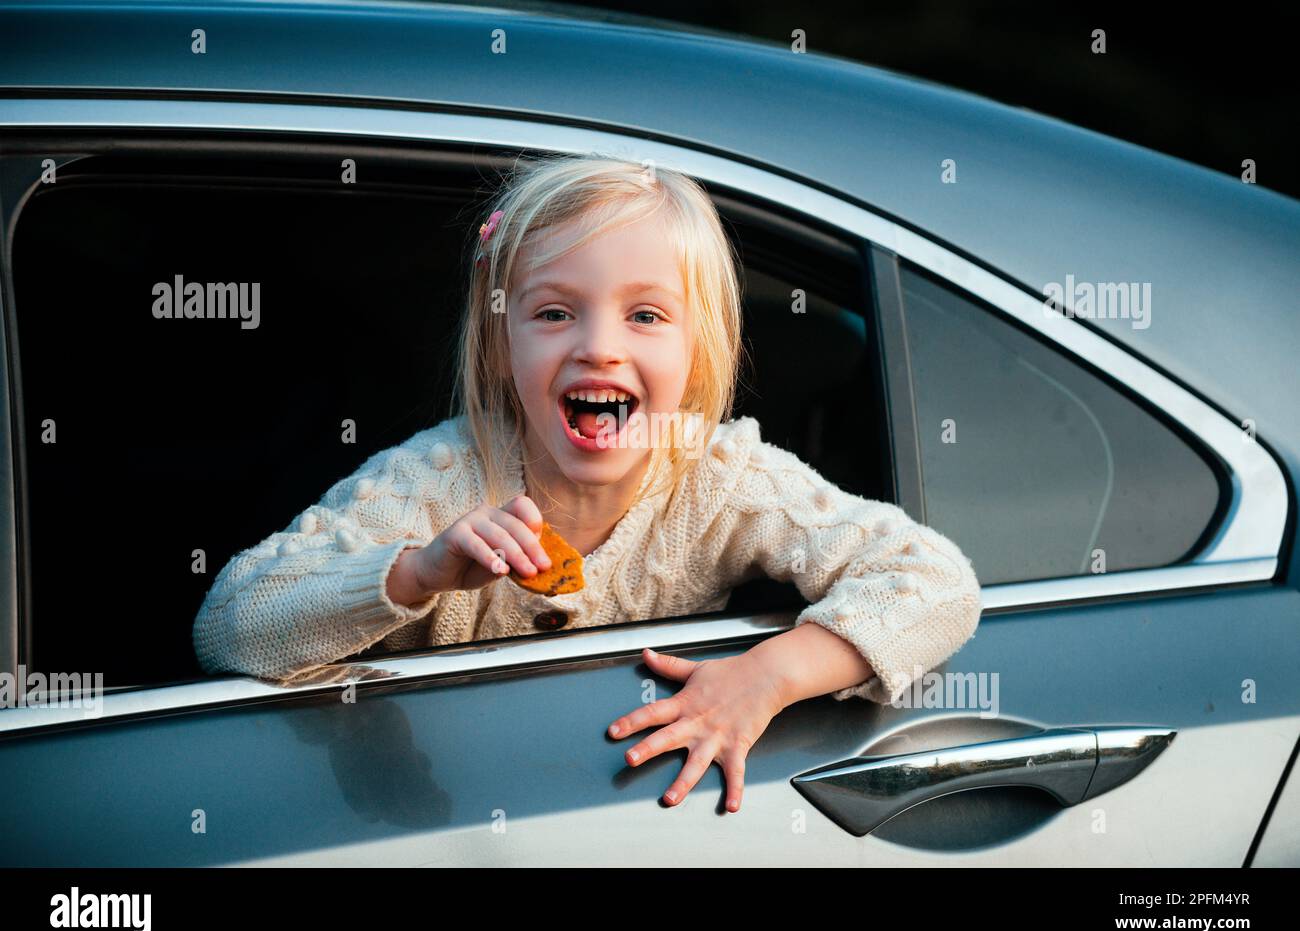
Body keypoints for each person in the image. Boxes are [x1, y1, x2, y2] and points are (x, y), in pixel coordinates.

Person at [192, 154, 983, 812]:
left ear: (697, 355)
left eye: (645, 316)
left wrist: (765, 677)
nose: (600, 347)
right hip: (435, 813)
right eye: (554, 313)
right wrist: (417, 571)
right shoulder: (436, 479)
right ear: (501, 346)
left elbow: (937, 580)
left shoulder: (716, 476)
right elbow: (230, 622)